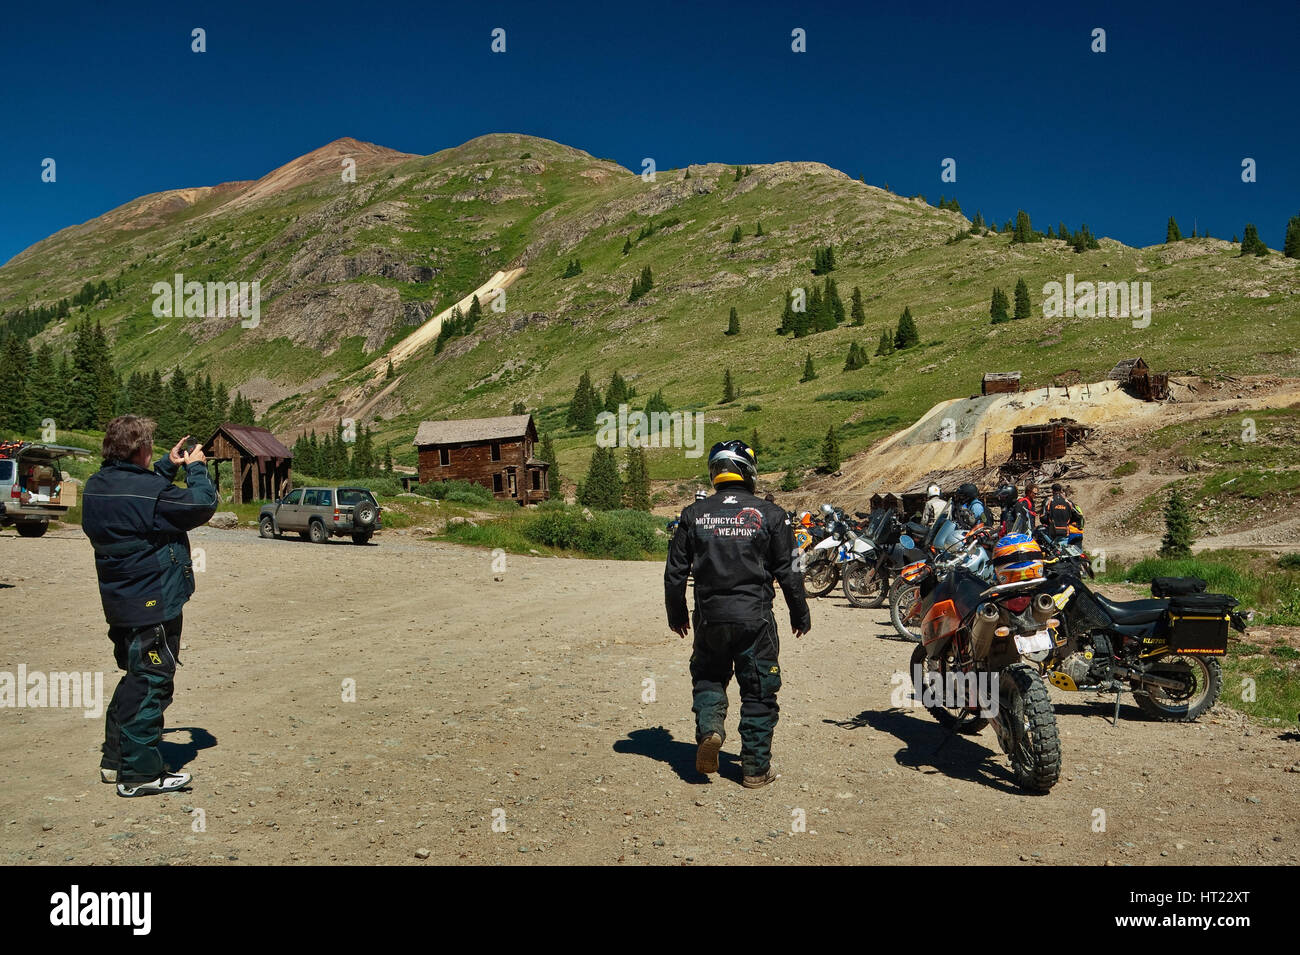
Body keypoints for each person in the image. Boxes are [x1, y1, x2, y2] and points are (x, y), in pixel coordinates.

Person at [82, 417, 217, 797]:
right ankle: (139, 774)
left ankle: (116, 760)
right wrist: (196, 468)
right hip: (152, 602)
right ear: (140, 449)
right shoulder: (147, 493)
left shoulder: (96, 486)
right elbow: (201, 504)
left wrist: (166, 465)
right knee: (152, 681)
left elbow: (137, 495)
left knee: (135, 678)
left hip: (120, 602)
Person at [664, 440, 810, 789]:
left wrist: (677, 613)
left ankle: (711, 730)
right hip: (755, 619)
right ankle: (755, 769)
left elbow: (674, 572)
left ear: (715, 471)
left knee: (710, 677)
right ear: (749, 471)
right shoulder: (771, 515)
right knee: (758, 691)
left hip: (709, 617)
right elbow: (791, 570)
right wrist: (799, 612)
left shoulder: (692, 515)